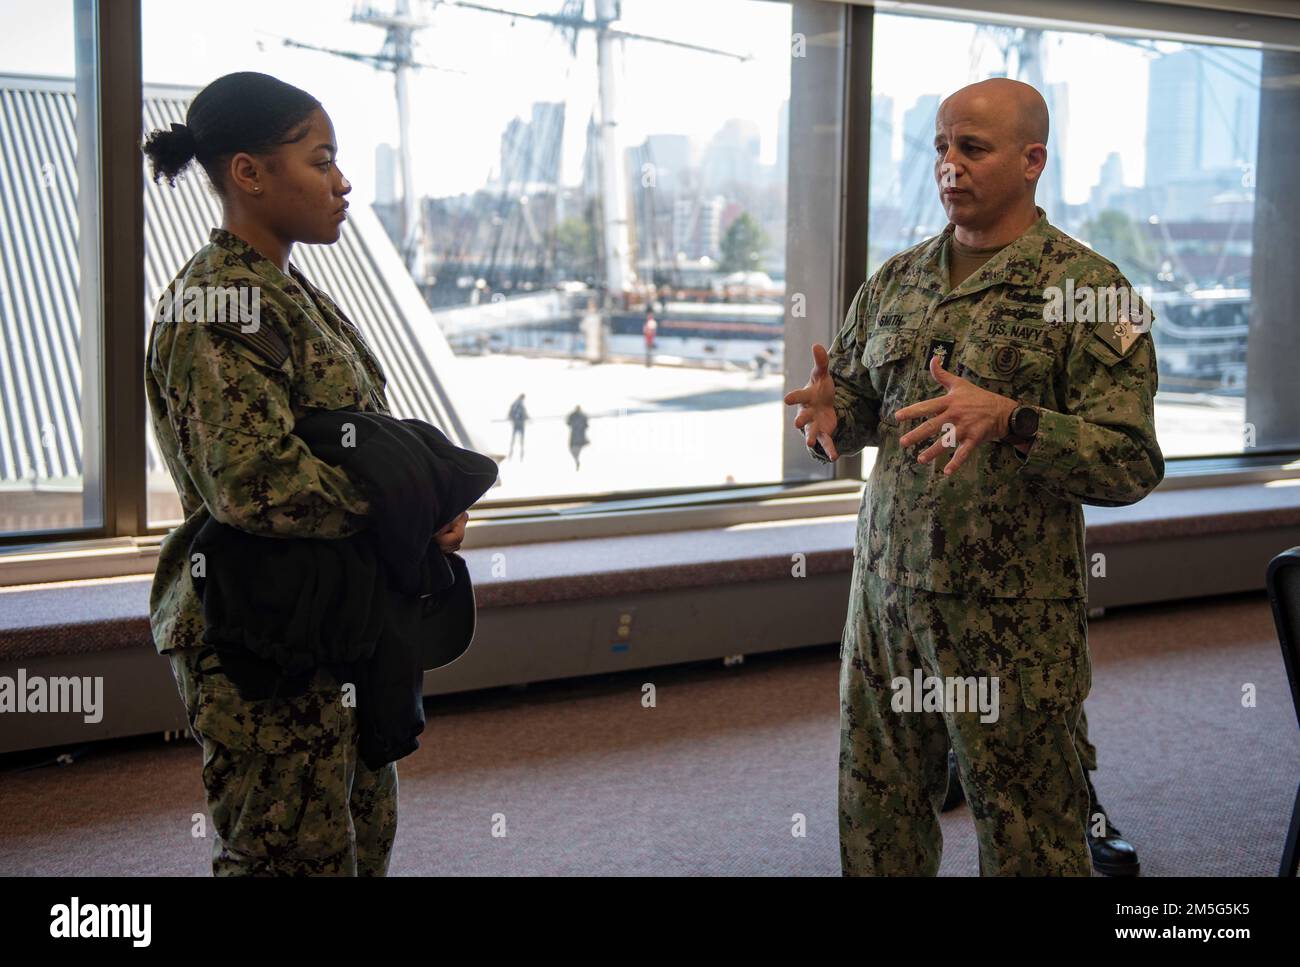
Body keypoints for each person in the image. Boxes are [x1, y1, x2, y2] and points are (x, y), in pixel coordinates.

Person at [784, 78, 1163, 876]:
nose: (949, 166)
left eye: (972, 148)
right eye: (940, 148)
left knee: (1028, 829)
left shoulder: (1088, 294)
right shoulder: (896, 281)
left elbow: (1131, 459)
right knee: (876, 806)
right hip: (886, 598)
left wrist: (1017, 419)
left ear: (1033, 161)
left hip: (1010, 619)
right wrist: (829, 419)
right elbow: (858, 408)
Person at [141, 71, 467, 876]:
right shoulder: (217, 307)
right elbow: (254, 481)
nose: (342, 181)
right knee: (286, 857)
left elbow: (361, 436)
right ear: (249, 173)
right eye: (320, 161)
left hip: (328, 618)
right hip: (257, 632)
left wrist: (422, 505)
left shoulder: (284, 290)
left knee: (358, 838)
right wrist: (406, 505)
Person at [567, 404, 589, 470]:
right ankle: (577, 461)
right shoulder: (574, 415)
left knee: (575, 449)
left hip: (578, 439)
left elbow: (586, 425)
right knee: (574, 450)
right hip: (576, 439)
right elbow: (568, 422)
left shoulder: (582, 416)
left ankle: (577, 461)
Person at [508, 392, 529, 460]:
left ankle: (512, 452)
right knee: (521, 439)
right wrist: (527, 417)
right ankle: (520, 453)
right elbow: (523, 413)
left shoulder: (515, 403)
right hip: (519, 424)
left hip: (516, 423)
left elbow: (511, 412)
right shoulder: (520, 404)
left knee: (514, 438)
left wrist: (510, 417)